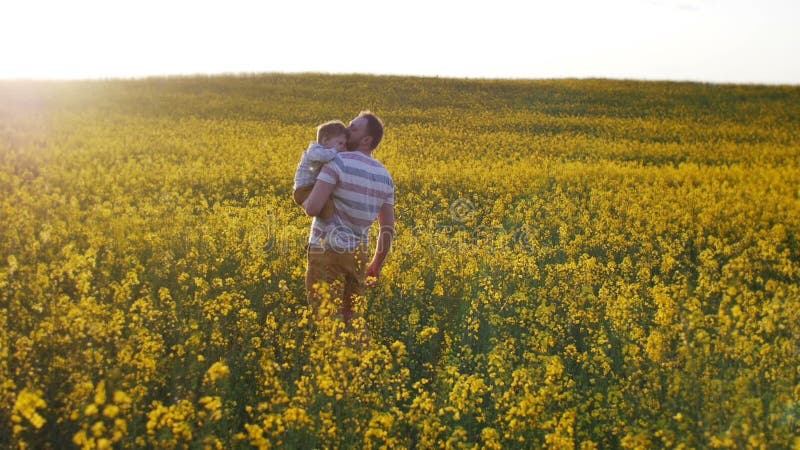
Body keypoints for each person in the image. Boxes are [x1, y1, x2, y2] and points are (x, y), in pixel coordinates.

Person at [302, 111, 395, 325]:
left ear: (366, 140)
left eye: (353, 128)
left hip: (327, 252)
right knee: (350, 321)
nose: (345, 130)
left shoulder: (337, 162)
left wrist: (302, 198)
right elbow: (387, 228)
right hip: (357, 257)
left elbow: (313, 208)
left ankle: (330, 358)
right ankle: (352, 359)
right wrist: (376, 265)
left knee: (326, 321)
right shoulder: (385, 177)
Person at [292, 120, 349, 220]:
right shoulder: (315, 150)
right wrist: (335, 150)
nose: (341, 147)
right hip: (303, 190)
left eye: (343, 144)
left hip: (311, 188)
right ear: (325, 140)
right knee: (327, 205)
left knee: (332, 201)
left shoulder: (327, 151)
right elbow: (324, 157)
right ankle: (326, 223)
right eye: (339, 143)